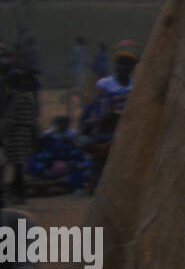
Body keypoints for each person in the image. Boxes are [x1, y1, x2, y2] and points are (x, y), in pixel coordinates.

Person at [79, 39, 140, 194]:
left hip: (127, 134)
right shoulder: (104, 84)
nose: (123, 67)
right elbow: (95, 112)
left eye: (127, 64)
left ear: (133, 66)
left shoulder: (136, 86)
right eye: (120, 63)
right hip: (104, 133)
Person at [24, 115, 91, 194]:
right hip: (50, 167)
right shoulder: (46, 138)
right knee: (35, 161)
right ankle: (43, 182)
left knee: (85, 167)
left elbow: (79, 156)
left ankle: (66, 184)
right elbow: (43, 154)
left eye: (63, 123)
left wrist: (69, 164)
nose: (61, 125)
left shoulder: (73, 137)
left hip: (68, 166)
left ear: (67, 124)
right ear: (53, 124)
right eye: (58, 123)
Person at [1, 70, 39, 206]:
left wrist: (2, 132)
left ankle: (17, 194)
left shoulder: (16, 98)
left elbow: (10, 119)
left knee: (16, 166)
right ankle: (18, 194)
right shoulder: (28, 97)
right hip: (24, 133)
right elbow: (33, 118)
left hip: (16, 134)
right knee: (18, 165)